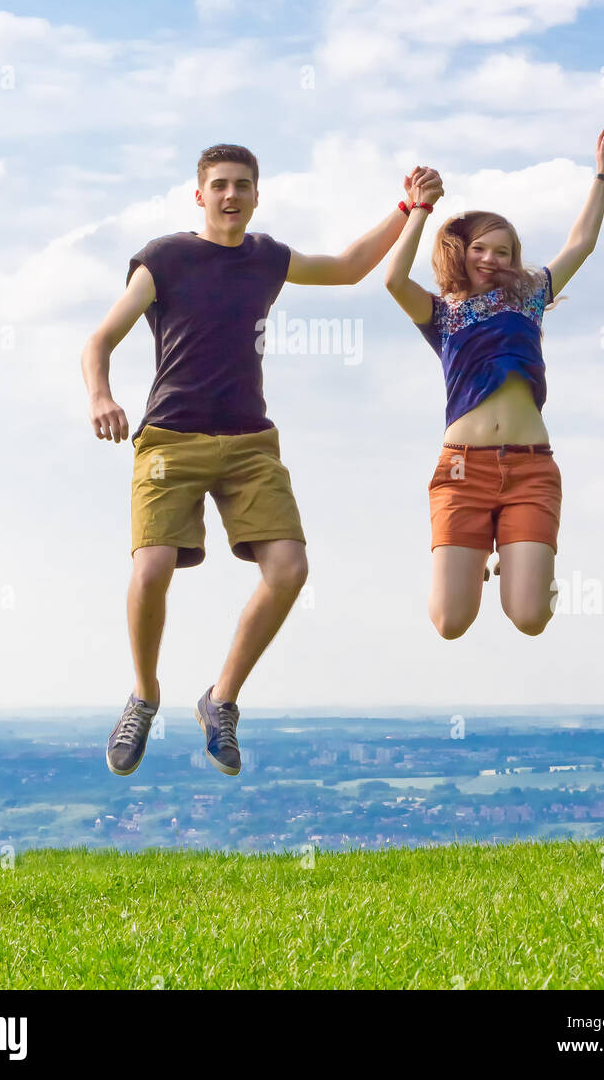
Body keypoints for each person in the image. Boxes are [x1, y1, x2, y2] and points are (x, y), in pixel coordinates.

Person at [81, 143, 443, 777]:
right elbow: (100, 338)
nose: (230, 195)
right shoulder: (166, 258)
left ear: (255, 194)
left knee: (289, 569)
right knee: (152, 567)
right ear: (200, 195)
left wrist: (407, 209)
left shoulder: (267, 258)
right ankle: (143, 696)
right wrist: (101, 395)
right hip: (170, 438)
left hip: (250, 443)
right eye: (219, 184)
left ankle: (220, 701)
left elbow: (348, 267)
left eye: (242, 185)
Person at [384, 126, 604, 641]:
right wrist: (418, 210)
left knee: (530, 618)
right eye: (481, 249)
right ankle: (486, 558)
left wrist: (601, 176)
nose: (493, 259)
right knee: (450, 623)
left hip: (530, 467)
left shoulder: (528, 298)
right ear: (461, 253)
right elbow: (393, 280)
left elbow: (581, 243)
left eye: (505, 251)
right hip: (463, 469)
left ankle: (519, 563)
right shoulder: (442, 314)